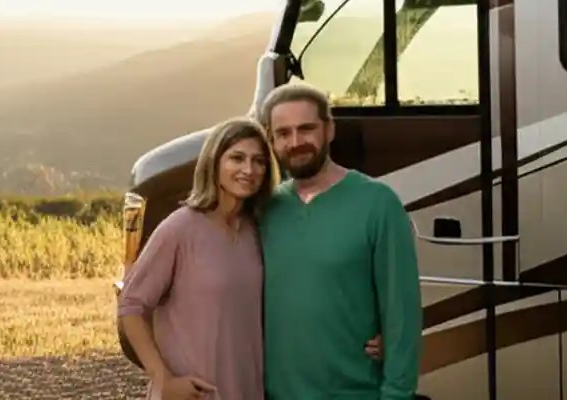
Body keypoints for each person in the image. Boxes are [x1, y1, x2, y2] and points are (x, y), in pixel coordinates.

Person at [116, 116, 384, 400]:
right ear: (214, 162)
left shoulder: (258, 229)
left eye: (259, 161)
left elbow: (314, 284)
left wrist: (371, 329)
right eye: (237, 158)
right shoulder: (180, 228)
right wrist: (163, 379)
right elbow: (131, 305)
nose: (249, 169)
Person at [256, 82, 423, 400]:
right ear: (271, 139)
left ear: (329, 129)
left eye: (306, 129)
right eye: (284, 133)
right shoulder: (264, 209)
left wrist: (397, 393)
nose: (296, 142)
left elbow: (402, 314)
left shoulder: (378, 203)